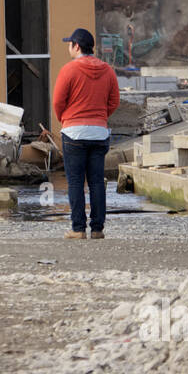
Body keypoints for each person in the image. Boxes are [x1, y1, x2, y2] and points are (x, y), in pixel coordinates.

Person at [52, 28, 120, 239]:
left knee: (75, 182)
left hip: (74, 132)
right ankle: (98, 229)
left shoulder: (69, 70)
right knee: (97, 182)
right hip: (99, 132)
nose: (68, 47)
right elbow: (114, 101)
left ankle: (78, 228)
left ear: (77, 46)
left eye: (69, 44)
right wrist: (100, 117)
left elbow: (57, 101)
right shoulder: (107, 70)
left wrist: (65, 118)